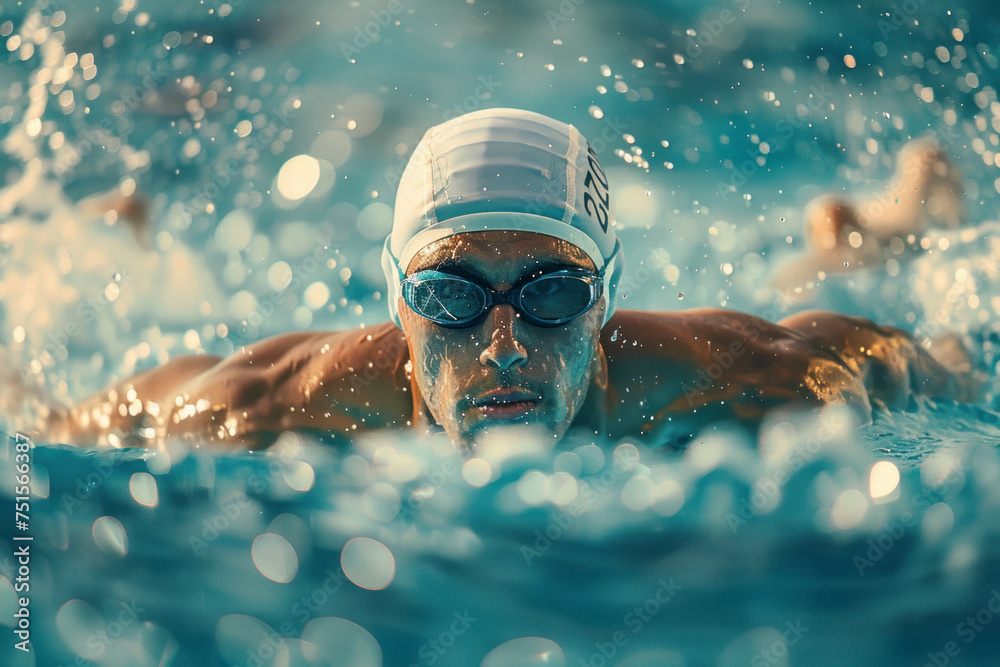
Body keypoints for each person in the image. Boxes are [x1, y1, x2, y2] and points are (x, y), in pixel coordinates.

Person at [48, 108, 976, 451]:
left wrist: (956, 347)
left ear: (604, 295)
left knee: (840, 276)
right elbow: (49, 425)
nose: (502, 344)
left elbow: (937, 359)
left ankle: (875, 232)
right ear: (395, 300)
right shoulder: (272, 408)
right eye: (449, 295)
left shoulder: (757, 379)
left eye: (552, 292)